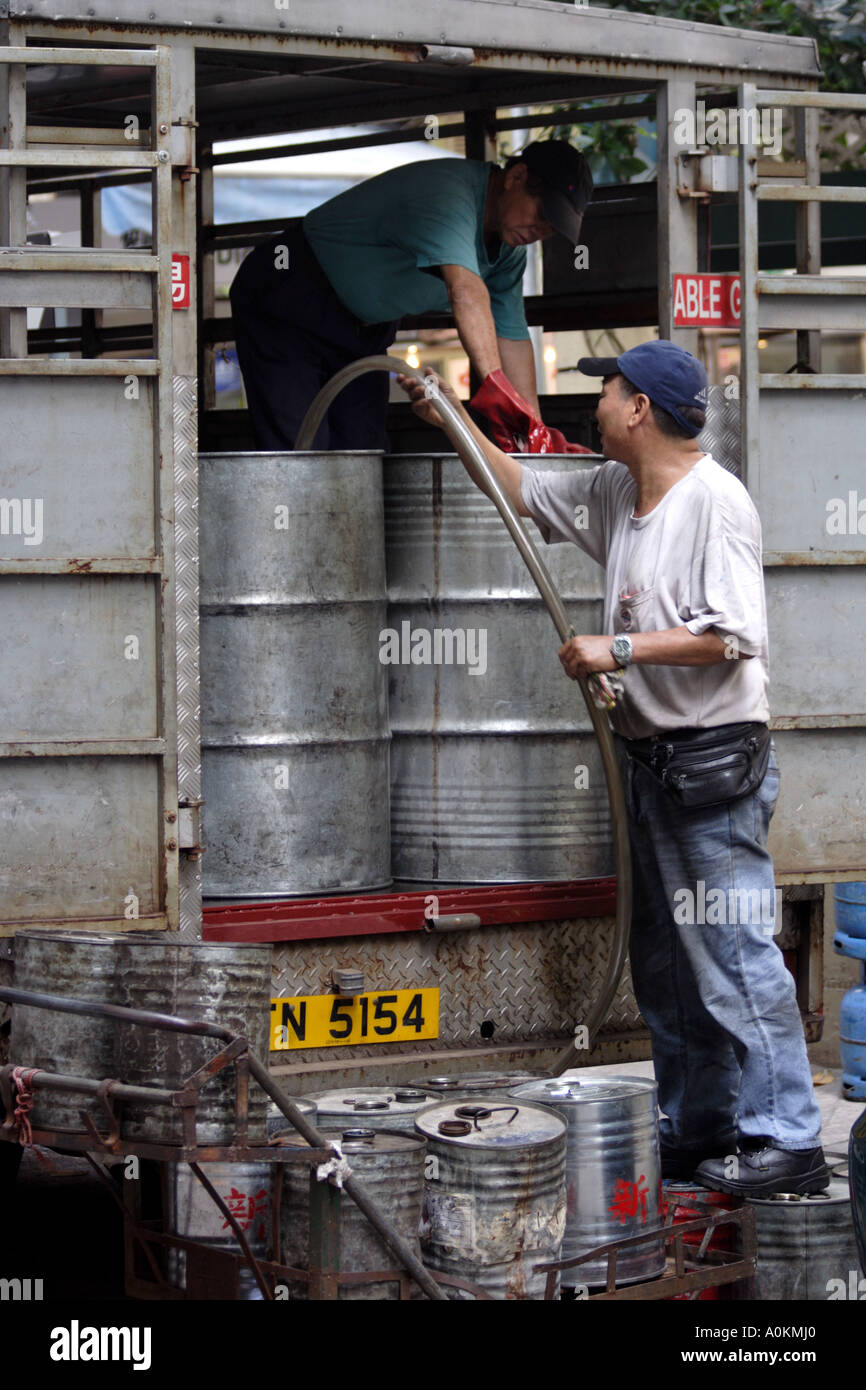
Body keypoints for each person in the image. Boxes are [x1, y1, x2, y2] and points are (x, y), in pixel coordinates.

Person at [397, 340, 829, 1197]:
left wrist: (616, 647)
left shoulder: (715, 503)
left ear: (639, 409)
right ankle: (699, 1129)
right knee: (668, 965)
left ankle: (788, 1137)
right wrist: (447, 415)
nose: (593, 401)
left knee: (734, 955)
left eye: (607, 387)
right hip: (650, 762)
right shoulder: (615, 492)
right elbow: (519, 488)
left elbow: (730, 636)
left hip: (712, 769)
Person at [229, 140, 593, 453]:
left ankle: (348, 535)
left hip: (360, 329)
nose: (541, 231)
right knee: (301, 448)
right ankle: (292, 532)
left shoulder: (510, 250)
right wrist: (499, 394)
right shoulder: (450, 196)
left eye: (553, 229)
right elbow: (466, 291)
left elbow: (511, 334)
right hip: (291, 295)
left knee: (363, 452)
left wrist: (533, 430)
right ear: (516, 178)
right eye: (543, 214)